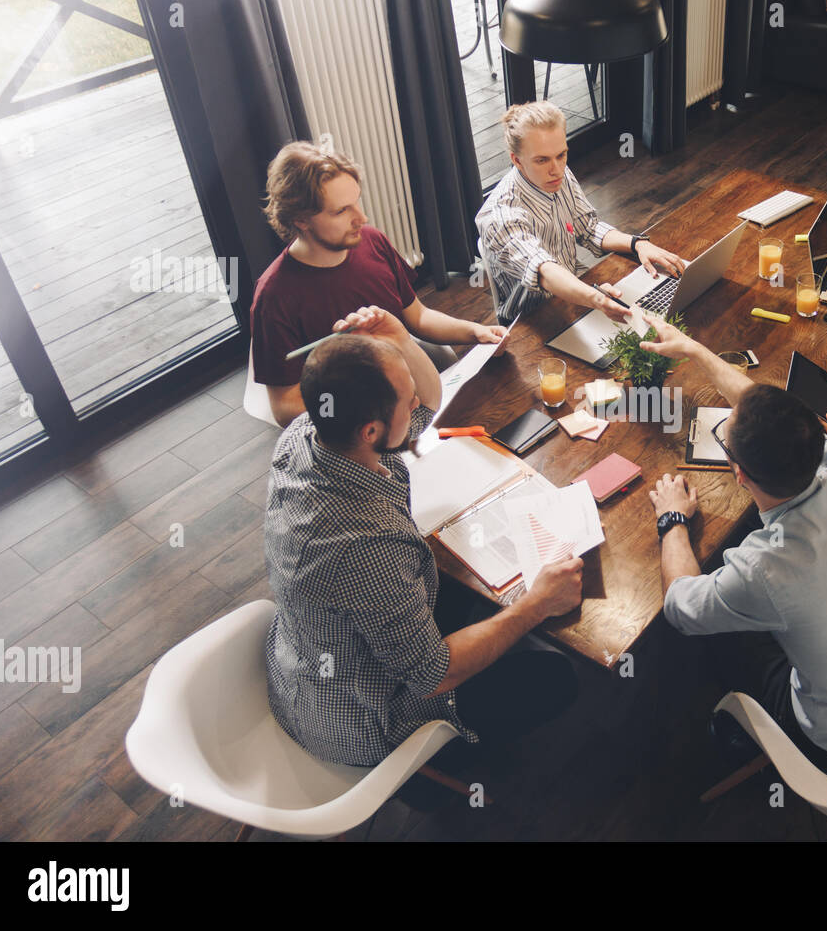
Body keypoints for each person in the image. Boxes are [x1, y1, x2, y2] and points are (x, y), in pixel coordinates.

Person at [264, 304, 579, 767]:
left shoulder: (308, 433)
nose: (415, 404)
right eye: (404, 399)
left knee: (467, 595)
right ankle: (445, 770)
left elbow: (428, 413)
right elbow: (434, 674)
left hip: (307, 656)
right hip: (365, 717)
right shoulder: (363, 546)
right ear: (371, 429)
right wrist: (536, 604)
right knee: (558, 678)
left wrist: (400, 340)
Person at [638, 318, 827, 774]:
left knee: (720, 639)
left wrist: (672, 519)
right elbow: (770, 410)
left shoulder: (763, 568)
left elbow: (680, 606)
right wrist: (695, 349)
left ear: (738, 473)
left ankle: (742, 733)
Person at [251, 140, 508, 427]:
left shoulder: (371, 241)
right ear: (301, 220)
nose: (362, 217)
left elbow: (418, 316)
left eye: (357, 201)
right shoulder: (275, 296)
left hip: (407, 398)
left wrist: (475, 332)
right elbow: (285, 406)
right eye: (341, 211)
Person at [476, 100, 687, 324]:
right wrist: (596, 298)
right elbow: (544, 271)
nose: (556, 170)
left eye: (561, 155)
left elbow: (588, 227)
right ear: (516, 160)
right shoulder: (501, 215)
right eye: (542, 160)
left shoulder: (558, 173)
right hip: (533, 319)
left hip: (579, 292)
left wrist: (638, 244)